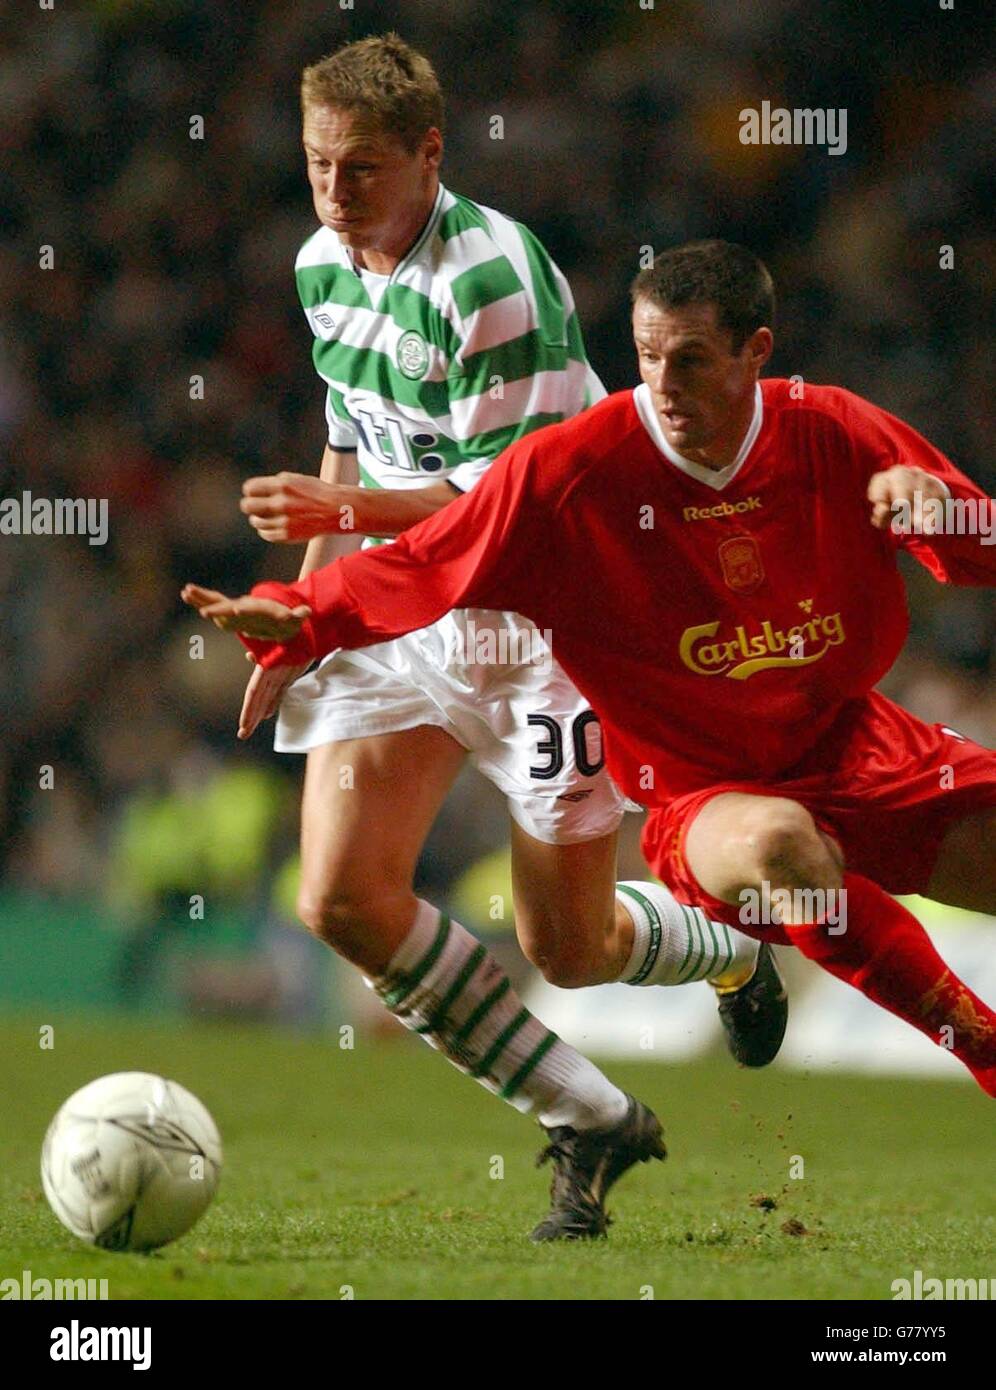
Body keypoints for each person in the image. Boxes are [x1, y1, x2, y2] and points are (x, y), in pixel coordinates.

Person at [185, 237, 996, 1101]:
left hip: (860, 744)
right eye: (647, 357)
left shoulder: (829, 427)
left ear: (755, 351)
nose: (664, 385)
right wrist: (301, 616)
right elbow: (429, 561)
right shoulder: (572, 470)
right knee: (779, 849)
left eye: (691, 360)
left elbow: (981, 544)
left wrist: (946, 514)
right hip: (705, 799)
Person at [222, 38, 783, 1242]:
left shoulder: (490, 278)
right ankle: (590, 1115)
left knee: (568, 947)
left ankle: (730, 949)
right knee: (342, 897)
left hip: (548, 622)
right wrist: (305, 620)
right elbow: (352, 436)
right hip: (410, 608)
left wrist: (341, 523)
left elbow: (501, 513)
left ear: (430, 153)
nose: (333, 191)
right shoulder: (321, 265)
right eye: (317, 164)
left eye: (361, 167)